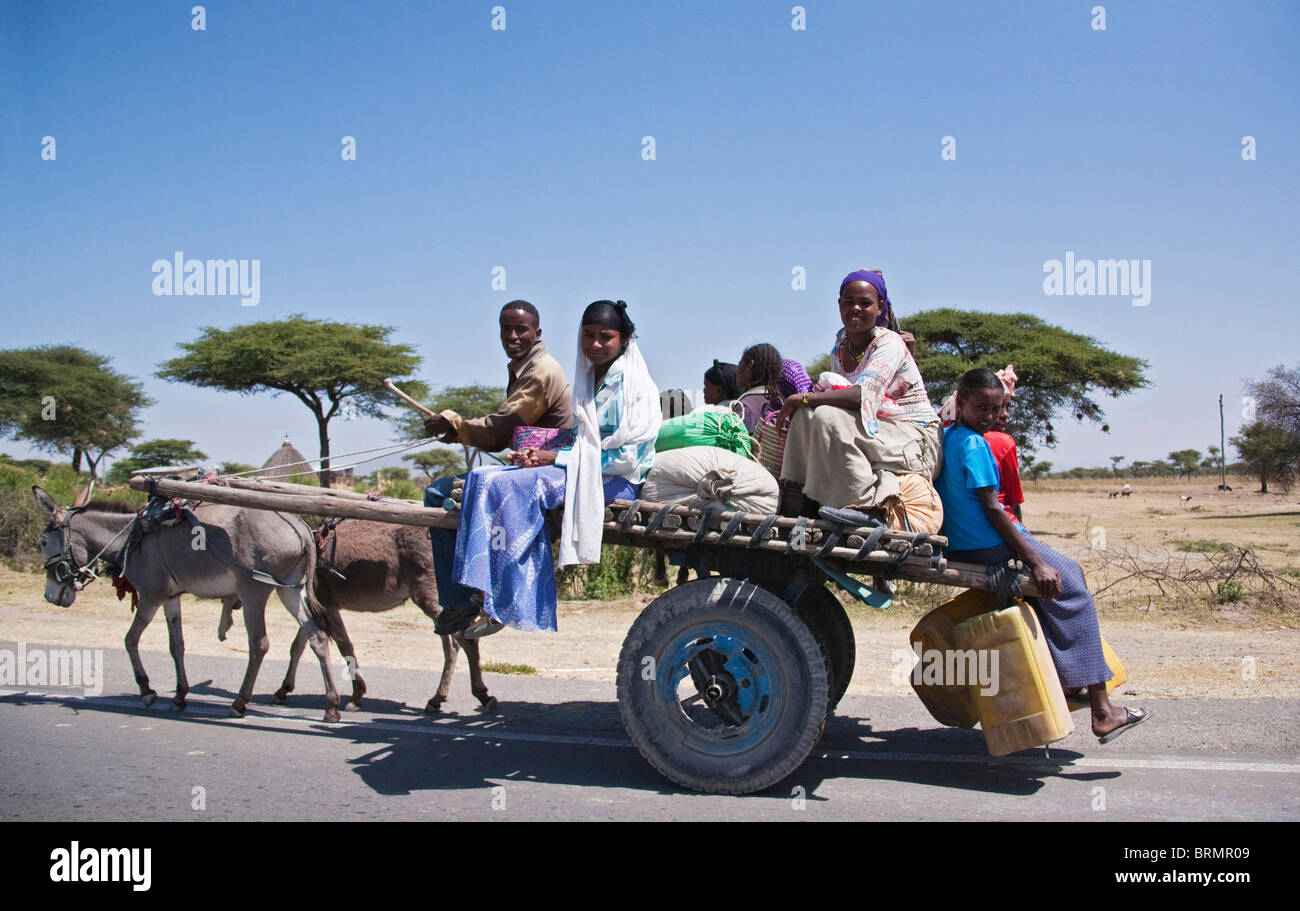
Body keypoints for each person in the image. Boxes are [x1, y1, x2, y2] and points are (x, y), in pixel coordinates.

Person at [935, 367, 1151, 742]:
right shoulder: (974, 445)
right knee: (1071, 587)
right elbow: (994, 509)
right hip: (990, 542)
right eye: (981, 408)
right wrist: (1035, 561)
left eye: (995, 408)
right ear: (960, 401)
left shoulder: (949, 436)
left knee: (1060, 585)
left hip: (967, 540)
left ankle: (1070, 684)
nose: (989, 416)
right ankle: (1102, 711)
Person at [441, 300, 661, 637]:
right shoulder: (591, 377)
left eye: (606, 337)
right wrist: (538, 452)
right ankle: (484, 592)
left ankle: (506, 600)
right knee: (481, 478)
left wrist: (553, 458)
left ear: (624, 340)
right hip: (584, 471)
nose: (596, 344)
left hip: (615, 481)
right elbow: (583, 440)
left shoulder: (630, 384)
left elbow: (625, 458)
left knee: (509, 487)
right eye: (588, 335)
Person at [422, 300, 573, 635]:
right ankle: (474, 590)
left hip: (543, 471)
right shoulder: (527, 368)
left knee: (437, 493)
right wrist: (455, 430)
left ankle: (462, 599)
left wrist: (455, 423)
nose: (513, 336)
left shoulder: (540, 372)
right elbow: (501, 435)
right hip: (531, 467)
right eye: (506, 328)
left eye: (521, 329)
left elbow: (499, 430)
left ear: (538, 332)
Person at [777, 270, 940, 517]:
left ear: (880, 307)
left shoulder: (889, 343)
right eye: (849, 302)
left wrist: (802, 397)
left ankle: (863, 505)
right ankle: (802, 495)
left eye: (865, 303)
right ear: (839, 305)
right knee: (806, 415)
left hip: (913, 435)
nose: (856, 308)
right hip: (878, 428)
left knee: (825, 416)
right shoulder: (840, 348)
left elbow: (860, 397)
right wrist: (804, 404)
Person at [983, 367, 1025, 523]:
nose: (1005, 414)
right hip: (1002, 524)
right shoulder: (1004, 442)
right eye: (999, 407)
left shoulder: (950, 433)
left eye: (1008, 406)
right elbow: (1013, 501)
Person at [732, 343, 785, 434]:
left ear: (750, 365)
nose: (737, 371)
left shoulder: (745, 406)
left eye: (739, 364)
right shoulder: (781, 402)